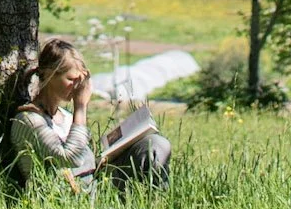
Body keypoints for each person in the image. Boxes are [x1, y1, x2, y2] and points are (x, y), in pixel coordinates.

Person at [9, 37, 171, 193]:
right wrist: (80, 106)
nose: (78, 86)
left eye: (81, 80)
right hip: (64, 198)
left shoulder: (65, 116)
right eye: (71, 79)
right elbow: (70, 158)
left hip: (93, 187)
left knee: (155, 144)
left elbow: (87, 163)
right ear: (49, 75)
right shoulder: (29, 120)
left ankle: (157, 203)